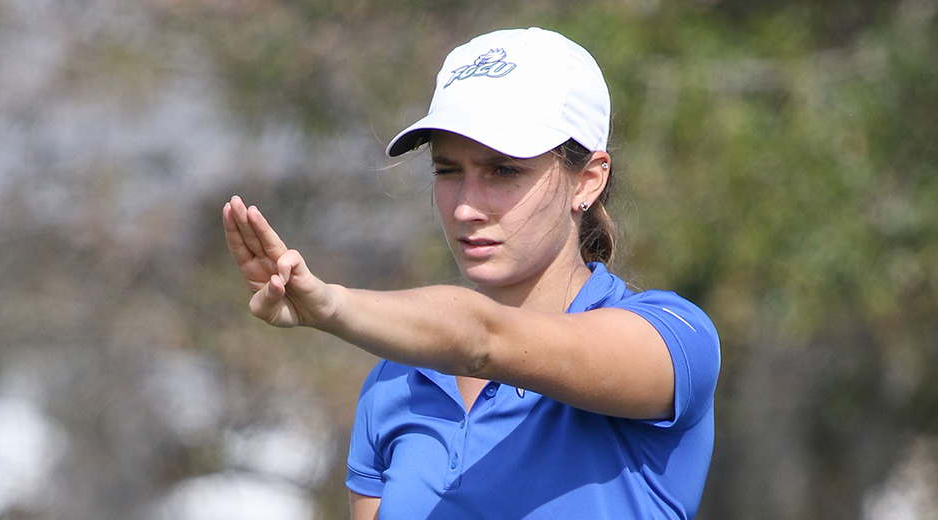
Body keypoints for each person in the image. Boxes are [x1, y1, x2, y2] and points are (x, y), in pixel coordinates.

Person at [223, 27, 720, 520]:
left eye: (503, 170)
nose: (465, 208)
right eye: (447, 171)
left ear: (587, 180)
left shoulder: (676, 340)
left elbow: (483, 339)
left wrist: (333, 306)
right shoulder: (393, 383)